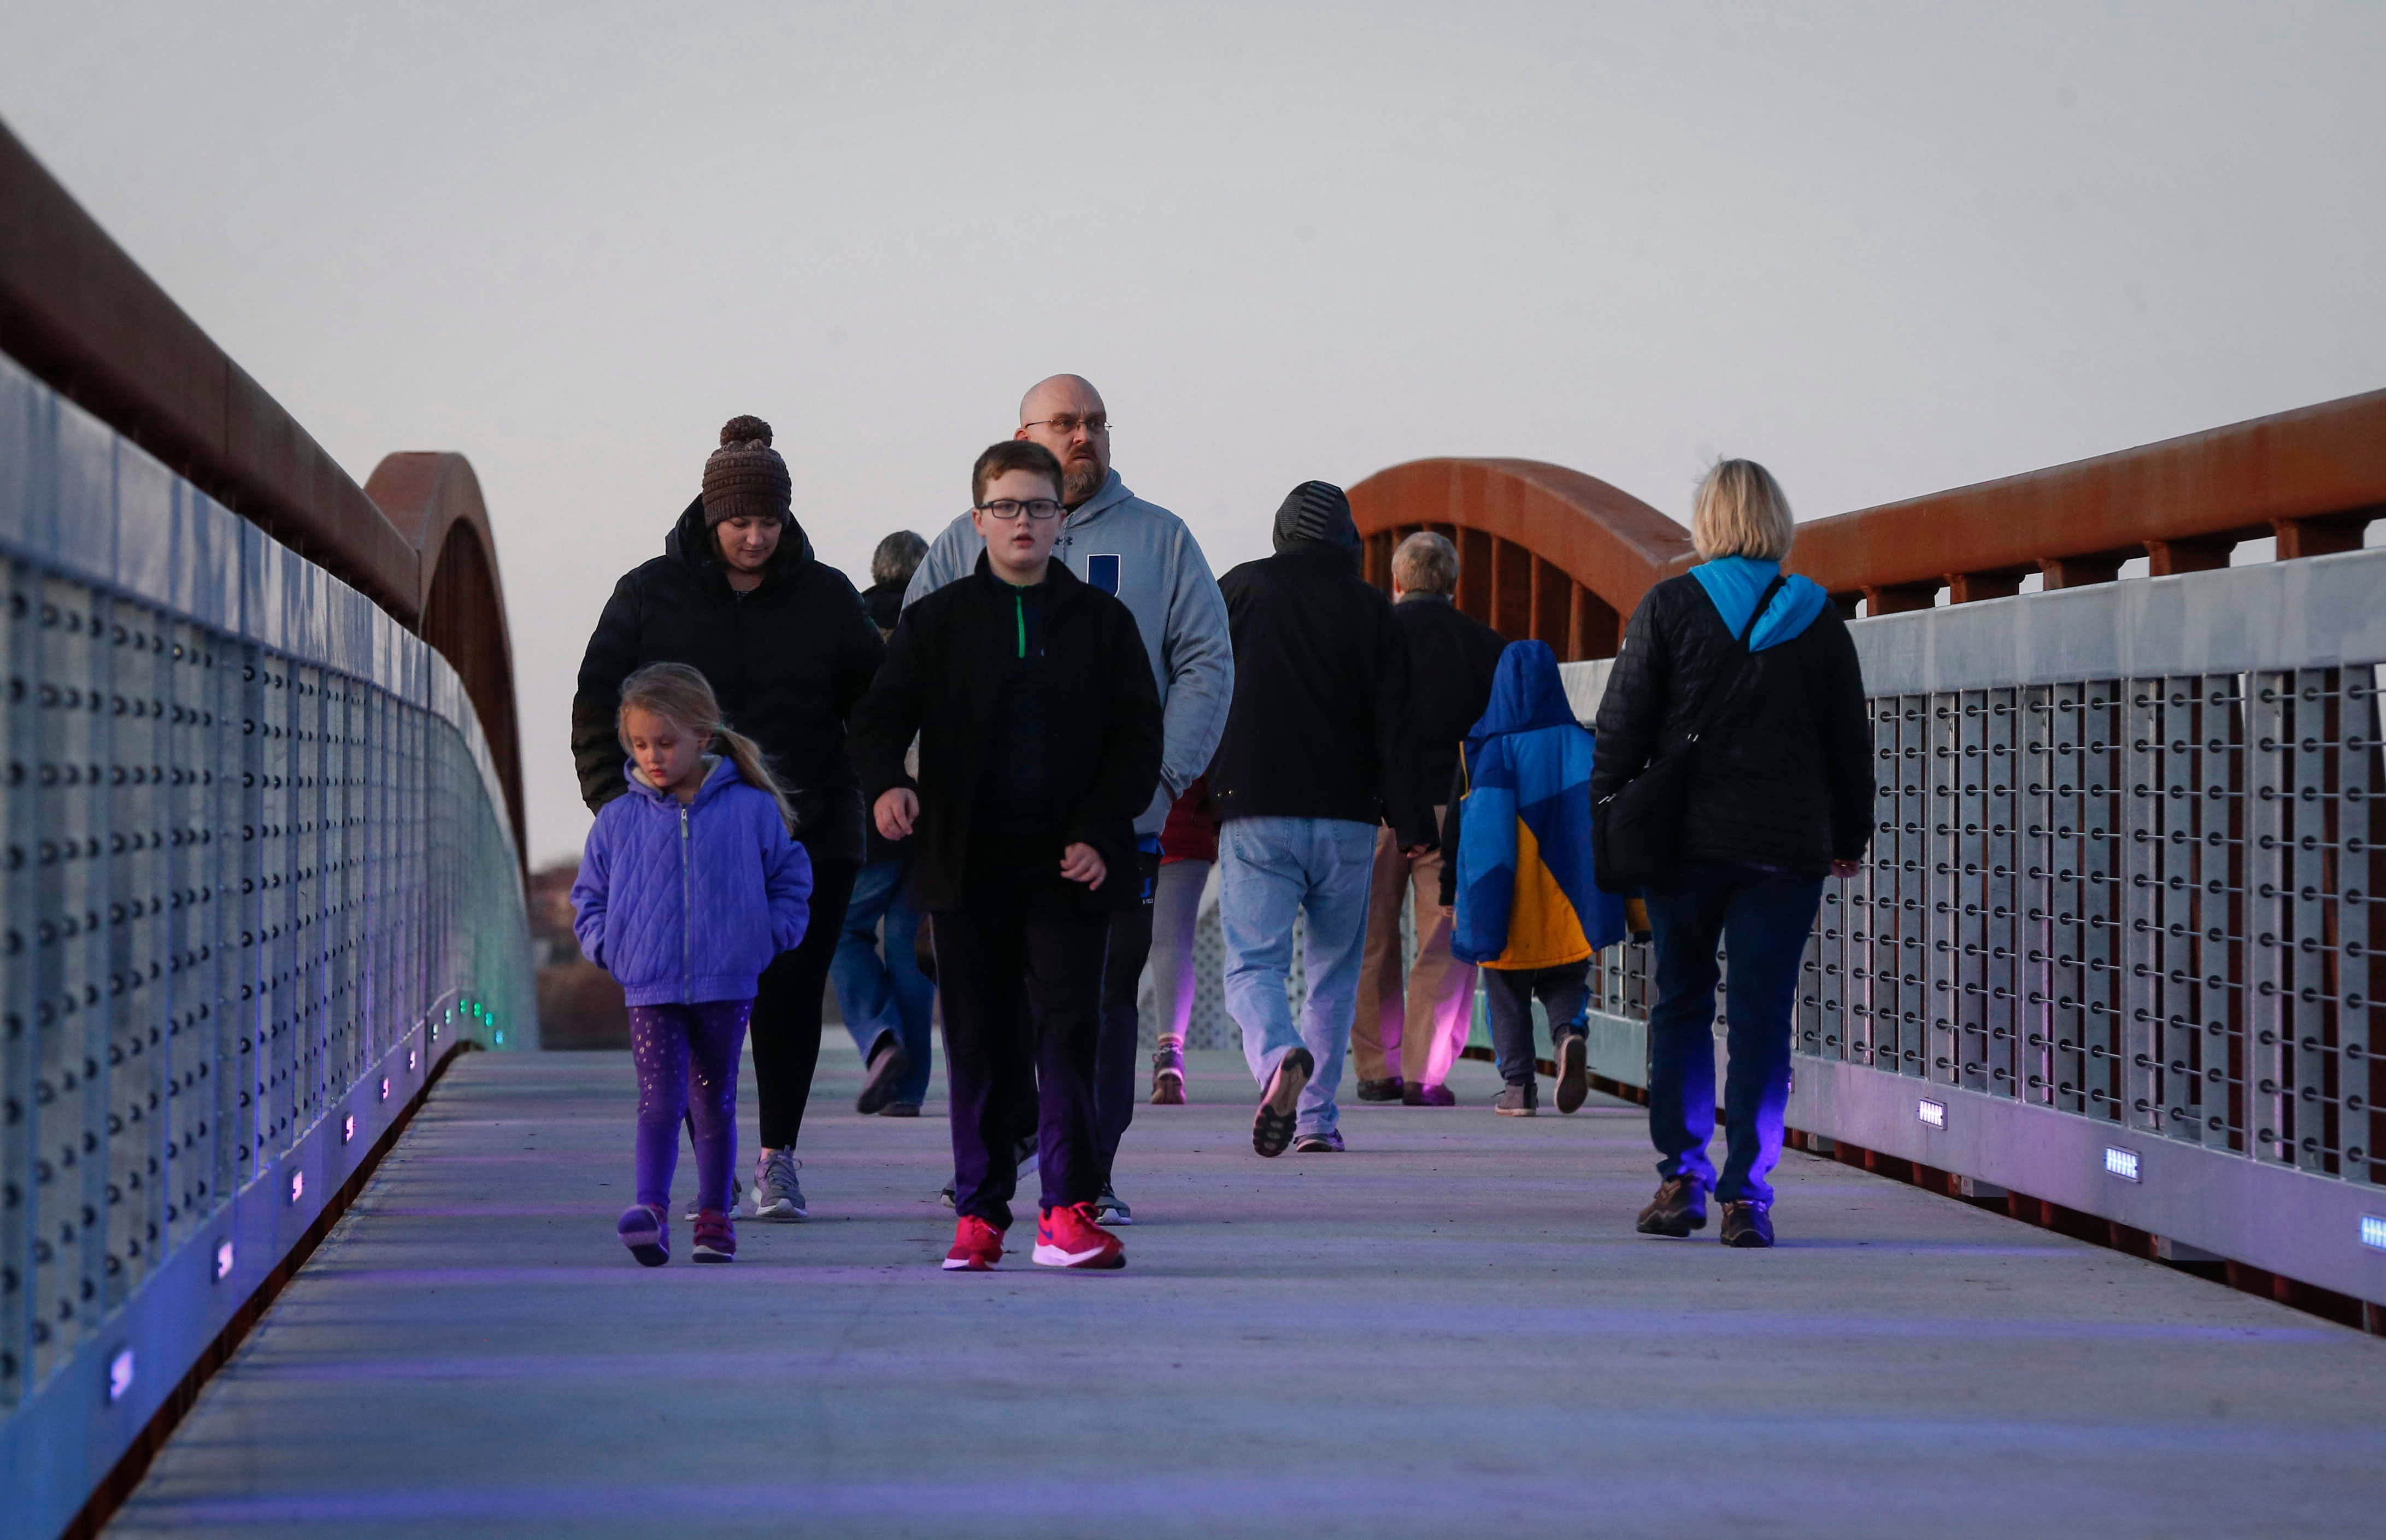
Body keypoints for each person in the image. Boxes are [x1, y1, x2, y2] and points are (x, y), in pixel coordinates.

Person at [905, 374, 1231, 1225]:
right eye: (1063, 423)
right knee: (990, 1002)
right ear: (1022, 433)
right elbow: (909, 671)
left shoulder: (1160, 541)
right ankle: (1009, 1138)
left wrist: (1160, 779)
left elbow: (1205, 660)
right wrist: (924, 784)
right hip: (983, 833)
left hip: (1112, 826)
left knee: (1100, 999)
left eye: (1094, 423)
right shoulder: (957, 543)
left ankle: (1087, 1175)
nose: (1082, 436)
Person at [853, 439, 1163, 1272]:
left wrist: (1102, 833)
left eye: (1038, 506)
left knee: (1068, 1035)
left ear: (1063, 520)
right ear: (978, 518)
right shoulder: (937, 620)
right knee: (980, 1043)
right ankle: (980, 1216)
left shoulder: (1104, 624)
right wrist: (886, 785)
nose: (1023, 521)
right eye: (1006, 507)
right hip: (963, 865)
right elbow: (878, 722)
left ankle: (1065, 1213)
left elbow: (1138, 742)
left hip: (1069, 868)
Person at [572, 416, 885, 1222]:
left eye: (769, 522)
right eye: (740, 521)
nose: (755, 537)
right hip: (679, 841)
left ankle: (777, 1158)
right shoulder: (649, 593)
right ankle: (707, 1169)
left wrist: (877, 783)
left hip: (808, 832)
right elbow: (595, 698)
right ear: (711, 517)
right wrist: (620, 810)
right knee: (689, 1005)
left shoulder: (826, 596)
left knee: (788, 996)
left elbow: (877, 707)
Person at [1590, 459, 1873, 1248]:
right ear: (1777, 520)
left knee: (1680, 999)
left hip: (1682, 844)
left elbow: (1620, 727)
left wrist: (1609, 817)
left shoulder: (1669, 606)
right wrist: (1846, 838)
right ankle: (1748, 1195)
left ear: (1706, 522)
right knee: (1759, 1014)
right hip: (1784, 850)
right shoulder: (1816, 617)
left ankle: (1681, 1176)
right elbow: (1848, 745)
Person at [571, 663, 813, 1266]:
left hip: (726, 980)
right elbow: (589, 895)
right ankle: (650, 1211)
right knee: (658, 1101)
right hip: (648, 983)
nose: (653, 756)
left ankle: (714, 1217)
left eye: (666, 742)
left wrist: (767, 936)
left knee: (714, 1101)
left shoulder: (750, 809)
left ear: (704, 736)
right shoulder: (618, 820)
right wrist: (609, 946)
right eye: (641, 744)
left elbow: (791, 877)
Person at [1208, 480, 1407, 1156]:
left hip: (1255, 803)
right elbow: (1395, 722)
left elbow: (1197, 678)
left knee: (1252, 965)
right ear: (1346, 539)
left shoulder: (1238, 589)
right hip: (1349, 814)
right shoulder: (1372, 606)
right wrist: (1409, 818)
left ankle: (1275, 1062)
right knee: (1332, 970)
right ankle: (1317, 1120)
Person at [1352, 532, 1507, 1107]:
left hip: (1375, 809)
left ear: (1396, 581)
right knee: (1442, 942)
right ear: (1452, 583)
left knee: (1369, 941)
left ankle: (1374, 1067)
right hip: (1452, 809)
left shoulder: (1369, 639)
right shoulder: (1484, 645)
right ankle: (1425, 1073)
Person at [1440, 640, 1626, 1115]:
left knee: (1505, 994)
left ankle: (1519, 1089)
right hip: (1572, 903)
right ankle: (1568, 1036)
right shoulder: (1587, 746)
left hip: (1506, 901)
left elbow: (1457, 832)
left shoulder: (1482, 753)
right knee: (1565, 982)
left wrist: (1449, 891)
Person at [834, 529, 935, 1116]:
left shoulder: (852, 622)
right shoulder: (943, 621)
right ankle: (910, 1091)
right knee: (906, 945)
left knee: (839, 932)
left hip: (874, 811)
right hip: (935, 814)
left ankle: (879, 1038)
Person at [1146, 777, 1219, 1104]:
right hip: (1184, 830)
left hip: (1119, 833)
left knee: (1109, 948)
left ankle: (1101, 1057)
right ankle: (1170, 1053)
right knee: (1172, 945)